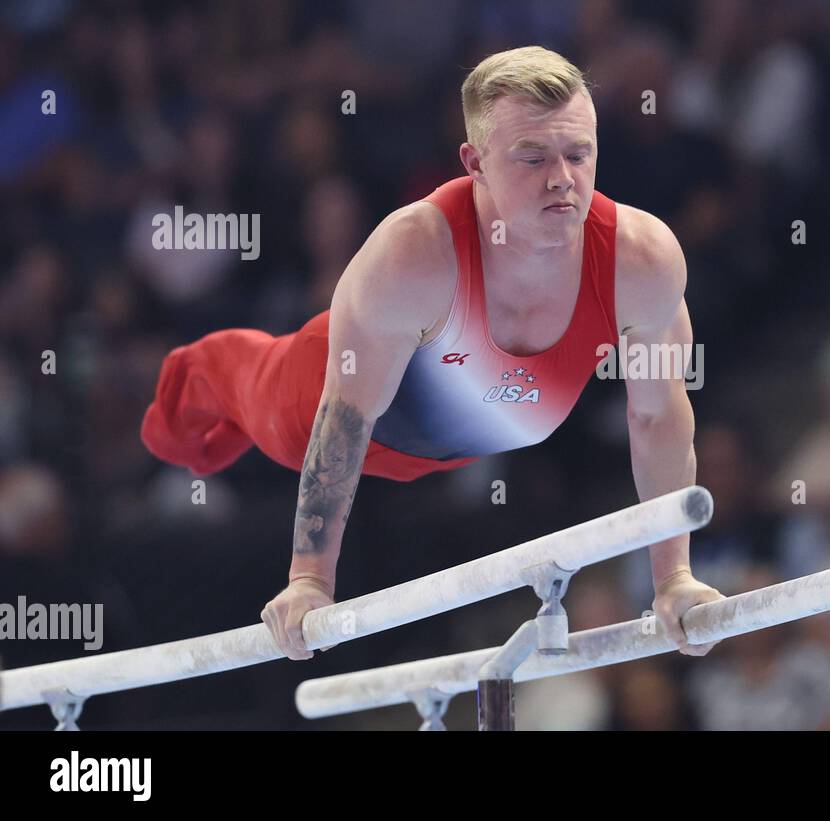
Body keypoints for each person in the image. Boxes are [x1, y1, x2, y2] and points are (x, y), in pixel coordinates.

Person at [138, 46, 723, 661]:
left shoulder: (641, 262)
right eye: (533, 157)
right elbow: (347, 418)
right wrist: (309, 580)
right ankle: (172, 406)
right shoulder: (416, 253)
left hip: (457, 446)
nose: (562, 178)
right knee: (233, 378)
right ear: (474, 162)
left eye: (579, 154)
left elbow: (657, 418)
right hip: (333, 403)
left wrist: (673, 579)